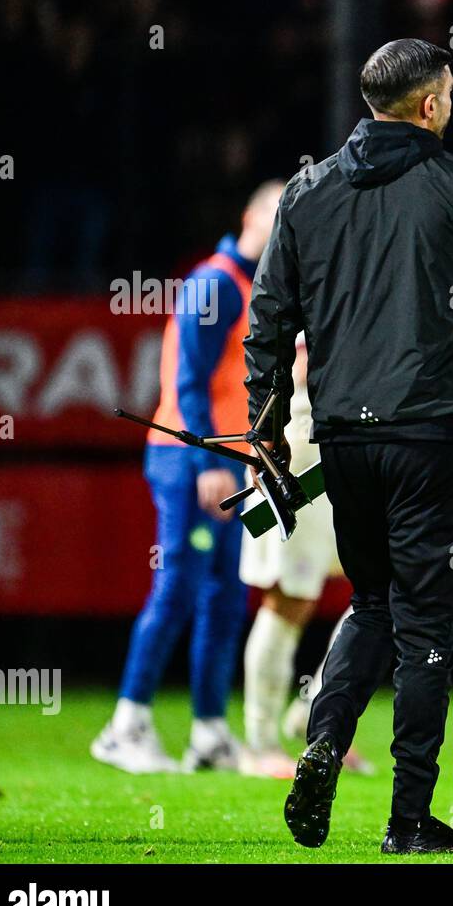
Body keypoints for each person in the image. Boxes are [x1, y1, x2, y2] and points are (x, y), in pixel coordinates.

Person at [244, 38, 453, 855]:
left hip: (344, 439)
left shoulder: (307, 190)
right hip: (432, 438)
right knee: (428, 627)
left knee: (372, 601)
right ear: (430, 103)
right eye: (450, 92)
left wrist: (268, 432)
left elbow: (267, 326)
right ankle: (406, 821)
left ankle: (321, 741)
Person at [91, 181, 284, 775]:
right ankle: (125, 725)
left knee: (226, 596)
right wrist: (205, 462)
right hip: (191, 462)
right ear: (250, 216)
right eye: (278, 215)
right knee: (177, 586)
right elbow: (187, 381)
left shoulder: (247, 286)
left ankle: (209, 733)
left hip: (230, 462)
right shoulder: (216, 283)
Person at [237, 333, 371, 779]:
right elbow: (275, 356)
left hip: (347, 447)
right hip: (296, 445)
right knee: (287, 599)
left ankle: (317, 714)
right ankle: (259, 744)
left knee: (378, 593)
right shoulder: (307, 271)